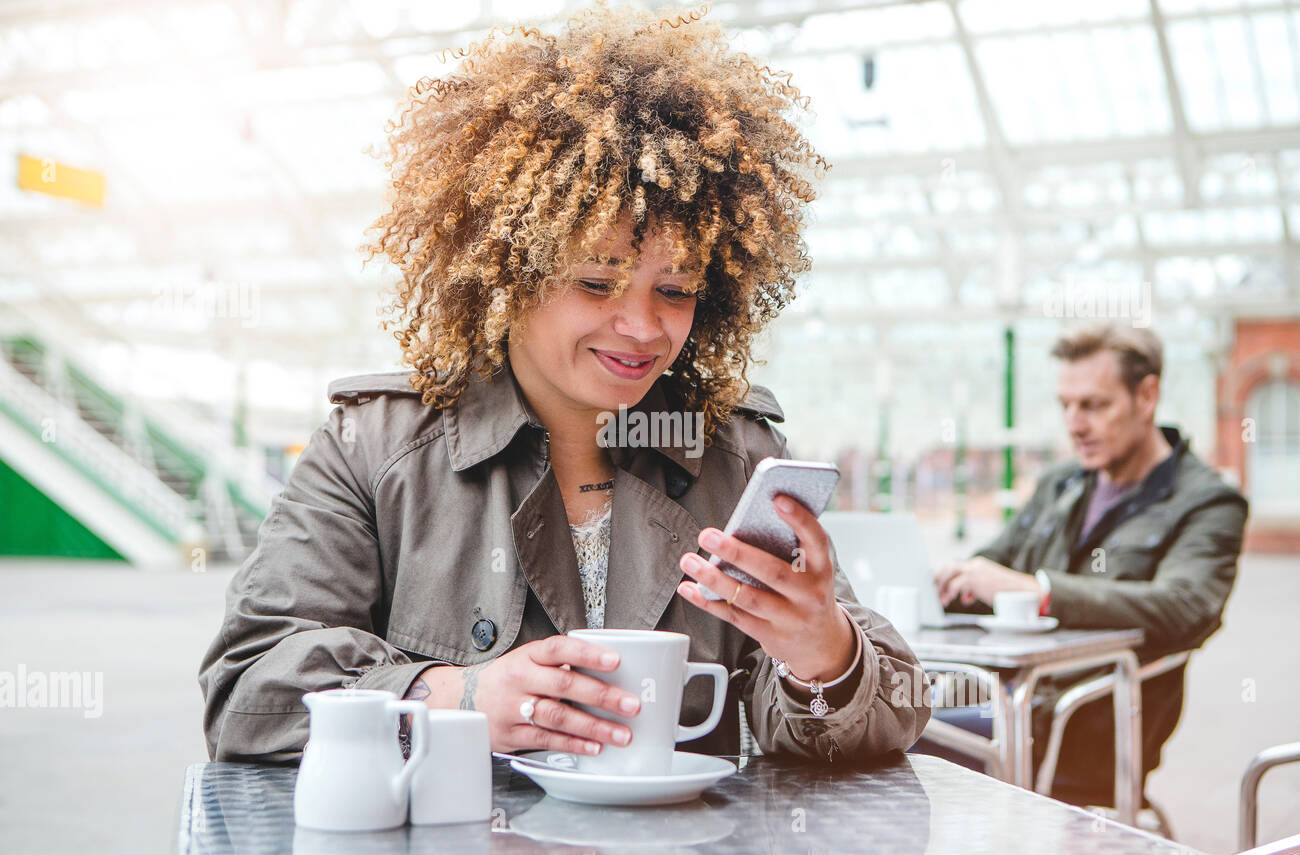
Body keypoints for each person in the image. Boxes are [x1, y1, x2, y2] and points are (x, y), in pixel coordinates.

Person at [199, 3, 930, 766]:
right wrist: (456, 699)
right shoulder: (373, 447)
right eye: (595, 281)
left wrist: (825, 657)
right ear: (505, 273)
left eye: (676, 291)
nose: (644, 328)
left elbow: (889, 713)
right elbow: (249, 691)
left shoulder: (735, 454)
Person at [915, 322, 1248, 808]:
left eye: (1093, 405)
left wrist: (1039, 591)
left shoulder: (1207, 503)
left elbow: (1186, 605)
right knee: (865, 724)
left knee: (888, 740)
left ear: (1147, 396)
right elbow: (996, 560)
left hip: (1089, 728)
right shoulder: (1062, 484)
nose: (1074, 424)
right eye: (1065, 406)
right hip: (1007, 704)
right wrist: (960, 577)